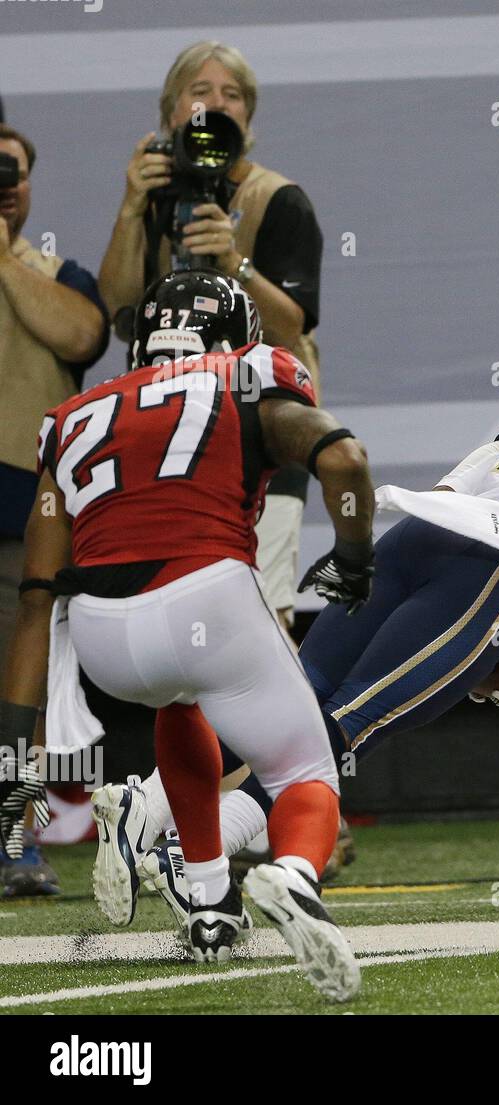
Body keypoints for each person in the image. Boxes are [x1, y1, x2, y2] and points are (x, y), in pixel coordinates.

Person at [90, 356, 499, 933]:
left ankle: (146, 805)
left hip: (418, 533)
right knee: (351, 723)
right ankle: (228, 849)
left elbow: (459, 482)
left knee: (299, 694)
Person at [0, 270, 373, 1001]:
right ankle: (293, 874)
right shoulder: (248, 374)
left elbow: (37, 593)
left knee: (181, 701)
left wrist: (16, 751)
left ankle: (207, 903)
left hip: (103, 639)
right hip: (207, 599)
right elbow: (345, 460)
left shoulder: (72, 415)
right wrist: (355, 560)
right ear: (236, 339)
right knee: (306, 770)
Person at [98, 41, 324, 630]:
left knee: (263, 611)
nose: (215, 105)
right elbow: (118, 307)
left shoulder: (278, 199)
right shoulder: (150, 194)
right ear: (170, 111)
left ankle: (285, 725)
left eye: (232, 95)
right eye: (200, 92)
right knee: (175, 613)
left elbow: (292, 327)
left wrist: (233, 260)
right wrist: (129, 211)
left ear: (247, 116)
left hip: (260, 431)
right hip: (162, 432)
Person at [0, 122, 110, 898]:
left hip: (23, 512)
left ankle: (14, 839)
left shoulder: (57, 272)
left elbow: (83, 333)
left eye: (13, 170)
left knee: (23, 692)